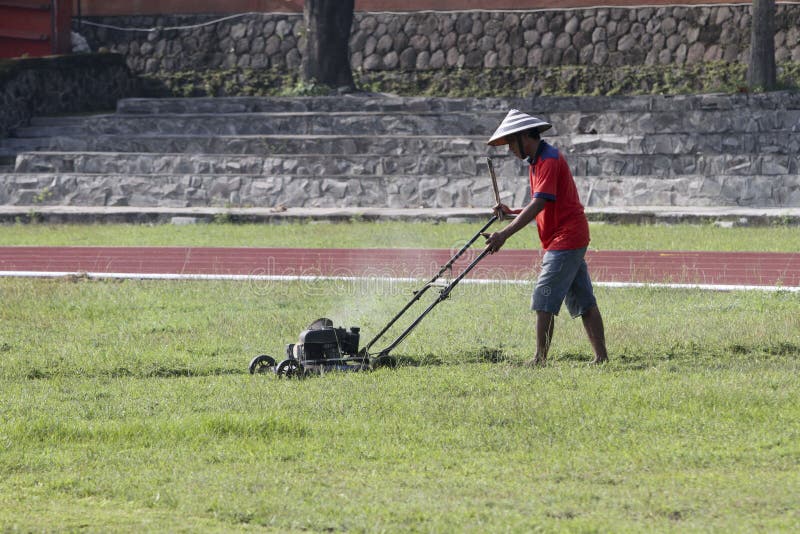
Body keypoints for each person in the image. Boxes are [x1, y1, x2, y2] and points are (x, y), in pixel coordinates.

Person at [483, 109, 608, 366]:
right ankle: (602, 358)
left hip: (566, 238)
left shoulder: (548, 160)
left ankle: (540, 359)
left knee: (544, 295)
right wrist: (510, 213)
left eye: (510, 144)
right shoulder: (538, 161)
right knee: (584, 300)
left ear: (523, 137)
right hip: (569, 237)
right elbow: (543, 202)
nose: (509, 150)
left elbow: (539, 204)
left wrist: (504, 234)